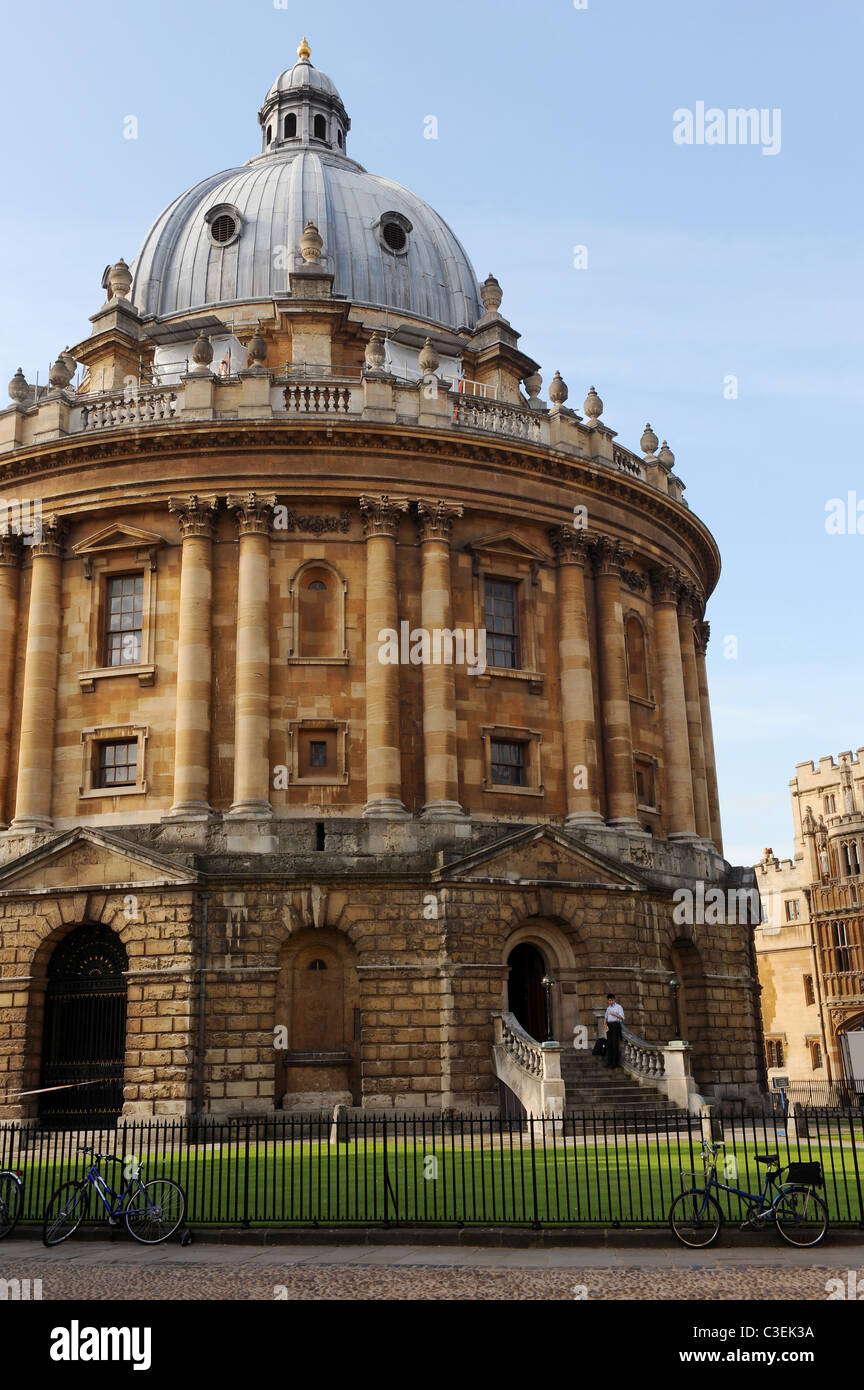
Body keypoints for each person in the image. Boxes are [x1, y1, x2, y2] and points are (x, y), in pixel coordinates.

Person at [604, 993, 624, 1068]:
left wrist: (614, 1014)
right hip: (609, 1026)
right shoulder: (608, 1008)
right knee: (609, 1044)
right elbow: (605, 1017)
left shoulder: (619, 1007)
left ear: (614, 1000)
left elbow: (622, 1017)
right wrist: (605, 1024)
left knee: (615, 1044)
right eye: (609, 1000)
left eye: (612, 1000)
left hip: (615, 1026)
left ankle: (615, 1063)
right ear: (608, 1001)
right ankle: (609, 1062)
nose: (611, 1002)